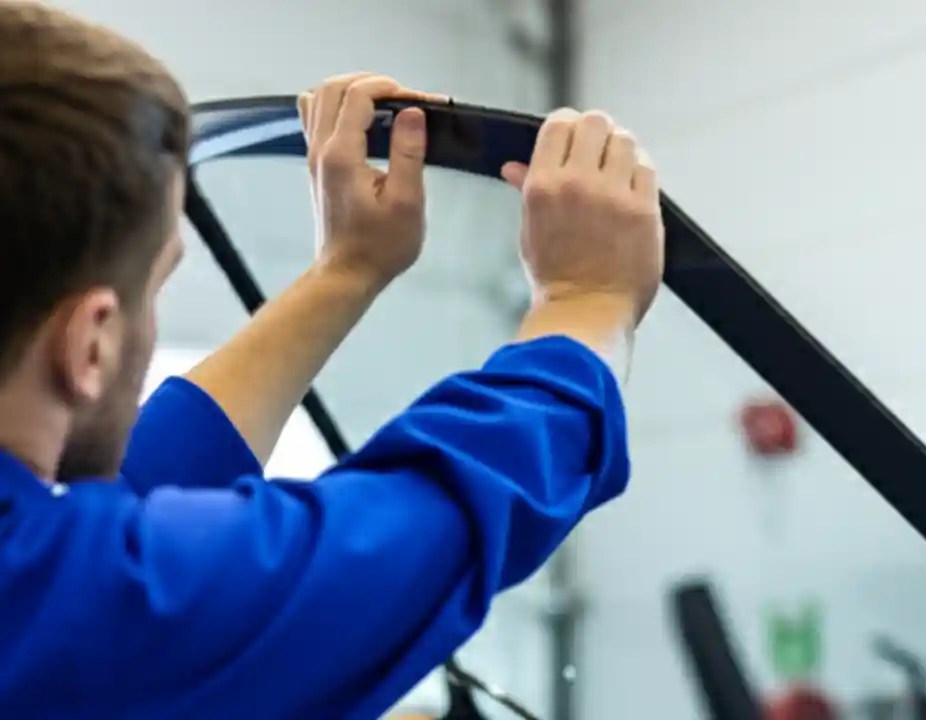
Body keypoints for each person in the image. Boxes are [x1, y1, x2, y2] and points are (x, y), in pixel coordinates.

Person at [0, 3, 662, 718]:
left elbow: (132, 498)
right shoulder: (67, 614)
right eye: (155, 284)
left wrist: (345, 271)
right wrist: (585, 303)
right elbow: (421, 531)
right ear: (91, 344)